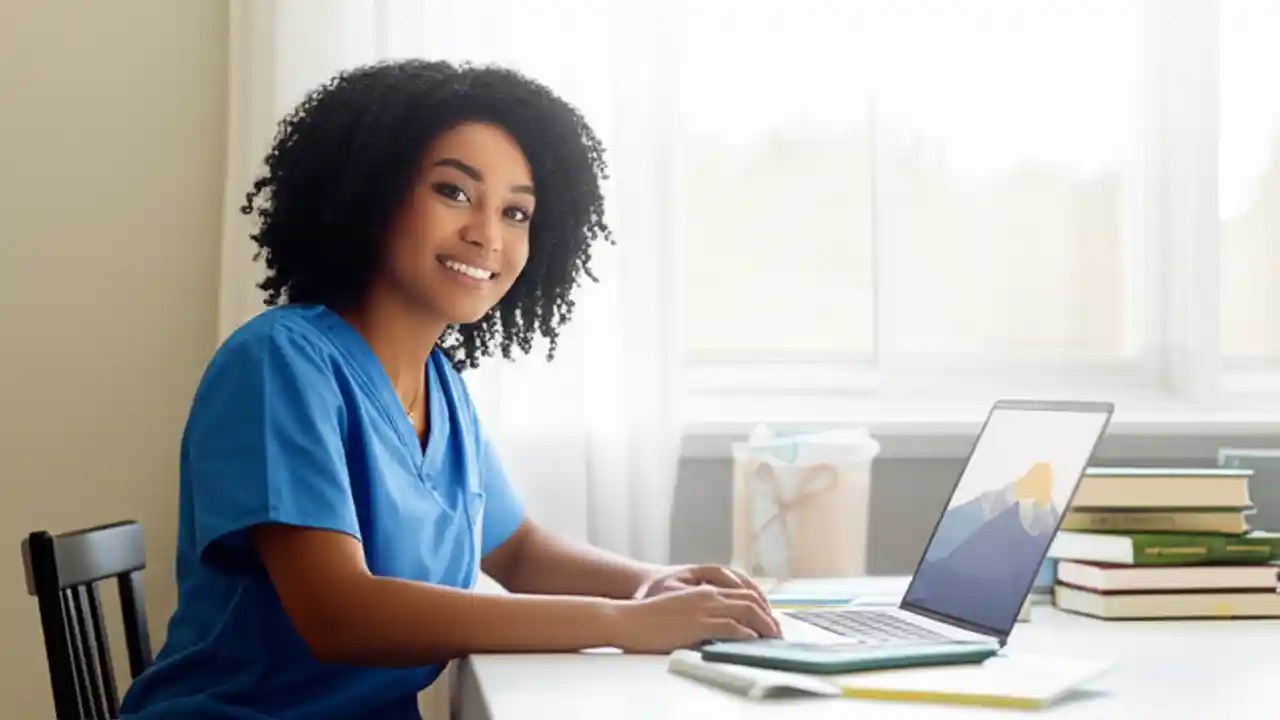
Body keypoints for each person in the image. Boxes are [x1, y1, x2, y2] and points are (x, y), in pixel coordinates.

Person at [120, 60, 779, 719]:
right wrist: (620, 623)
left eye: (516, 211)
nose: (487, 234)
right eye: (454, 192)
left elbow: (516, 550)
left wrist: (649, 584)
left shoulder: (440, 386)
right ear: (373, 190)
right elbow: (339, 613)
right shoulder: (278, 362)